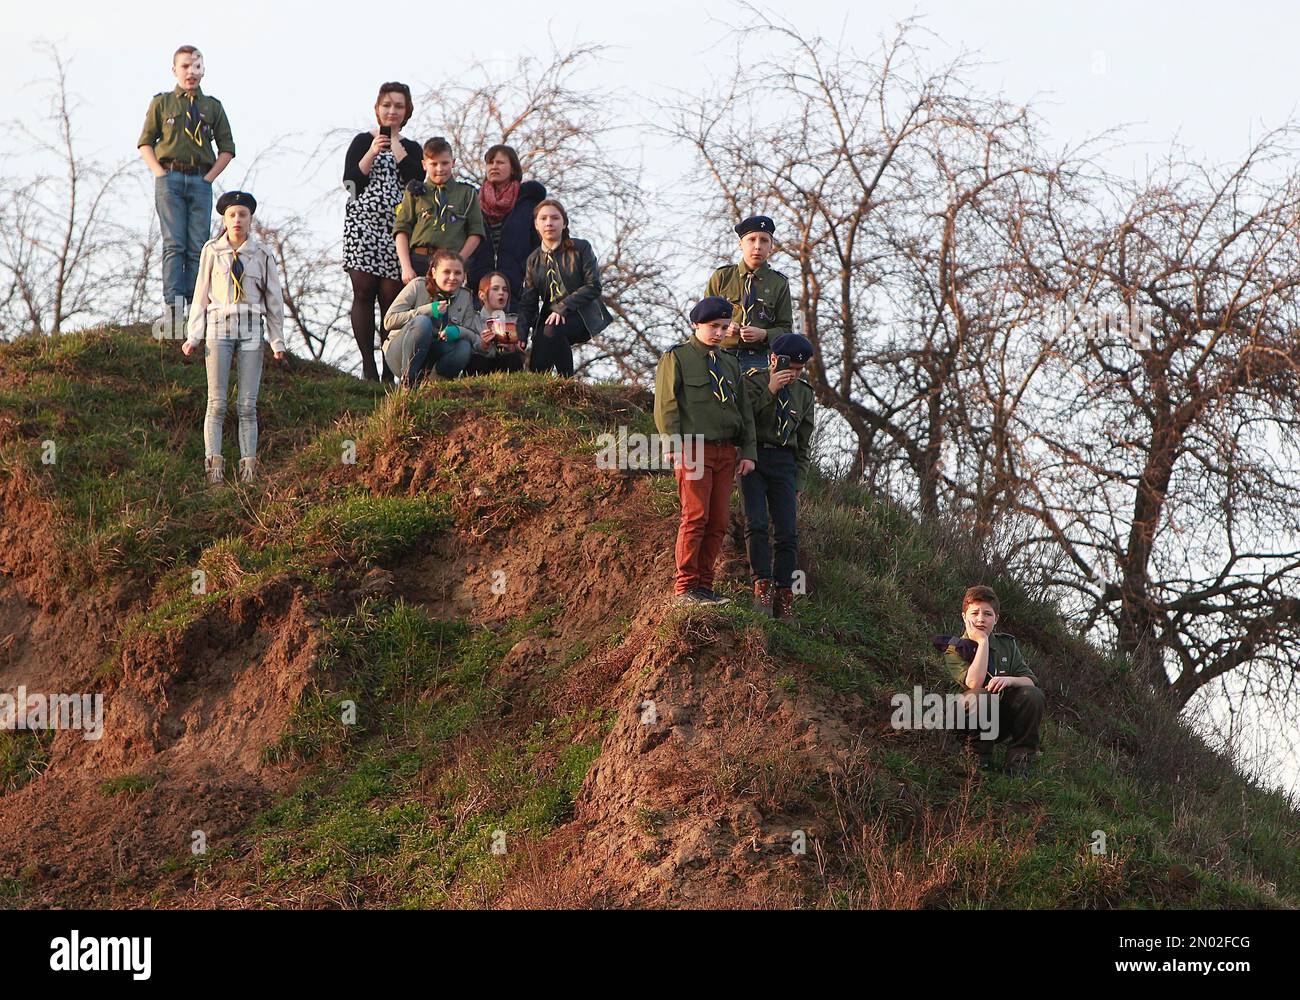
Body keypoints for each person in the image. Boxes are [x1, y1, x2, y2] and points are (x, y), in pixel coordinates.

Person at [654, 296, 757, 606]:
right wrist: (673, 445)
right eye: (713, 327)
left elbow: (744, 409)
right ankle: (685, 588)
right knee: (695, 516)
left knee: (719, 521)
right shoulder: (678, 357)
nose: (719, 333)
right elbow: (666, 404)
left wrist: (748, 450)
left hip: (726, 451)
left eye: (724, 327)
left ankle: (704, 586)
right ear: (696, 324)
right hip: (693, 449)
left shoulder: (728, 362)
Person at [182, 191, 286, 485]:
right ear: (224, 220)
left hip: (252, 326)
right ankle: (213, 465)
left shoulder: (262, 254)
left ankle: (249, 468)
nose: (237, 220)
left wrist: (277, 341)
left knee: (247, 405)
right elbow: (201, 294)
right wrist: (194, 335)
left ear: (250, 219)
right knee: (216, 402)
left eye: (242, 214)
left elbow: (274, 299)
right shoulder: (212, 251)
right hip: (219, 326)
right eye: (232, 215)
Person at [138, 45, 236, 331]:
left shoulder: (212, 107)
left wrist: (209, 179)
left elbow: (227, 148)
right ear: (174, 70)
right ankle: (173, 311)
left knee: (198, 247)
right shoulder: (163, 103)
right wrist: (159, 172)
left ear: (203, 70)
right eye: (185, 66)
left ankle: (196, 311)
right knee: (174, 244)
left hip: (199, 180)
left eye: (196, 66)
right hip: (169, 176)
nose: (190, 72)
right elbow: (146, 141)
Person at [342, 82, 423, 382]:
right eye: (386, 105)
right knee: (363, 292)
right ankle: (367, 366)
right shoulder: (363, 141)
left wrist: (397, 148)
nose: (392, 111)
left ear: (407, 112)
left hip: (397, 231)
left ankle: (390, 366)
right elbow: (350, 183)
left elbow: (416, 180)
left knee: (391, 298)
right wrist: (372, 152)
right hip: (362, 227)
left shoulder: (412, 148)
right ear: (377, 109)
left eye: (398, 106)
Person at [741, 333, 815, 618]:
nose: (794, 375)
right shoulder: (753, 381)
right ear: (773, 359)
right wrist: (771, 389)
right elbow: (745, 419)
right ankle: (762, 585)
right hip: (755, 456)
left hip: (784, 461)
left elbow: (804, 442)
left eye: (799, 370)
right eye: (789, 368)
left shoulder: (804, 393)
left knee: (787, 532)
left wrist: (800, 481)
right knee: (756, 522)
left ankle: (785, 594)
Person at [936, 585, 1046, 775]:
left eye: (987, 614)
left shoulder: (1007, 645)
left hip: (999, 720)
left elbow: (1031, 681)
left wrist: (1010, 680)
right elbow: (974, 684)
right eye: (974, 613)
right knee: (980, 695)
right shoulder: (955, 648)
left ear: (996, 619)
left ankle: (1019, 763)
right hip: (964, 720)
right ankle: (978, 760)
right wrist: (982, 642)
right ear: (964, 617)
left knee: (1033, 696)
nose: (980, 619)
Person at [518, 199, 611, 376]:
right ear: (536, 225)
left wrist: (563, 307)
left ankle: (566, 382)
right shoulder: (533, 259)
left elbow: (593, 286)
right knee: (538, 361)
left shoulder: (580, 248)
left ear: (564, 223)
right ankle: (541, 394)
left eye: (555, 218)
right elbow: (528, 302)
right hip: (549, 319)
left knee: (554, 329)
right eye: (543, 218)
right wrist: (521, 332)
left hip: (581, 314)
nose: (549, 223)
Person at [704, 215, 793, 371]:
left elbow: (785, 330)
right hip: (721, 353)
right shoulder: (723, 277)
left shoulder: (779, 283)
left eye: (764, 240)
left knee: (756, 394)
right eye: (751, 240)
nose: (758, 246)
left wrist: (764, 334)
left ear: (771, 246)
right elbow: (704, 318)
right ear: (740, 244)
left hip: (757, 358)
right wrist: (724, 327)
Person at [382, 248, 484, 386]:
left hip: (436, 352)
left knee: (464, 346)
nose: (452, 277)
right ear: (434, 273)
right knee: (422, 322)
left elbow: (474, 336)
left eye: (458, 273)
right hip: (401, 352)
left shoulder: (465, 296)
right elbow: (389, 321)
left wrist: (459, 331)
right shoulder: (417, 285)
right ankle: (408, 382)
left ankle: (436, 386)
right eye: (447, 272)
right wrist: (426, 310)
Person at [393, 137, 485, 284]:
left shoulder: (467, 193)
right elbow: (401, 231)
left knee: (449, 306)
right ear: (424, 165)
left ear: (453, 163)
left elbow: (476, 233)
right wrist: (406, 267)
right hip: (419, 261)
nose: (440, 168)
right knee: (421, 306)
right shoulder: (414, 193)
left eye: (445, 163)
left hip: (452, 262)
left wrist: (459, 261)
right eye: (434, 164)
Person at [466, 144, 546, 309]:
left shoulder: (528, 204)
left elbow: (538, 246)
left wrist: (527, 273)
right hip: (478, 286)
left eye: (500, 162)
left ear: (513, 169)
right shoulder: (473, 202)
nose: (494, 166)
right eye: (490, 162)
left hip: (516, 287)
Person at [467, 271, 525, 375]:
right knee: (476, 361)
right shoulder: (473, 320)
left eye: (505, 289)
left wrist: (512, 348)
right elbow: (468, 348)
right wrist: (483, 344)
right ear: (481, 295)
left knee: (513, 360)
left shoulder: (514, 320)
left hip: (507, 366)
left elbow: (526, 349)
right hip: (482, 366)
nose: (501, 292)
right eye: (495, 288)